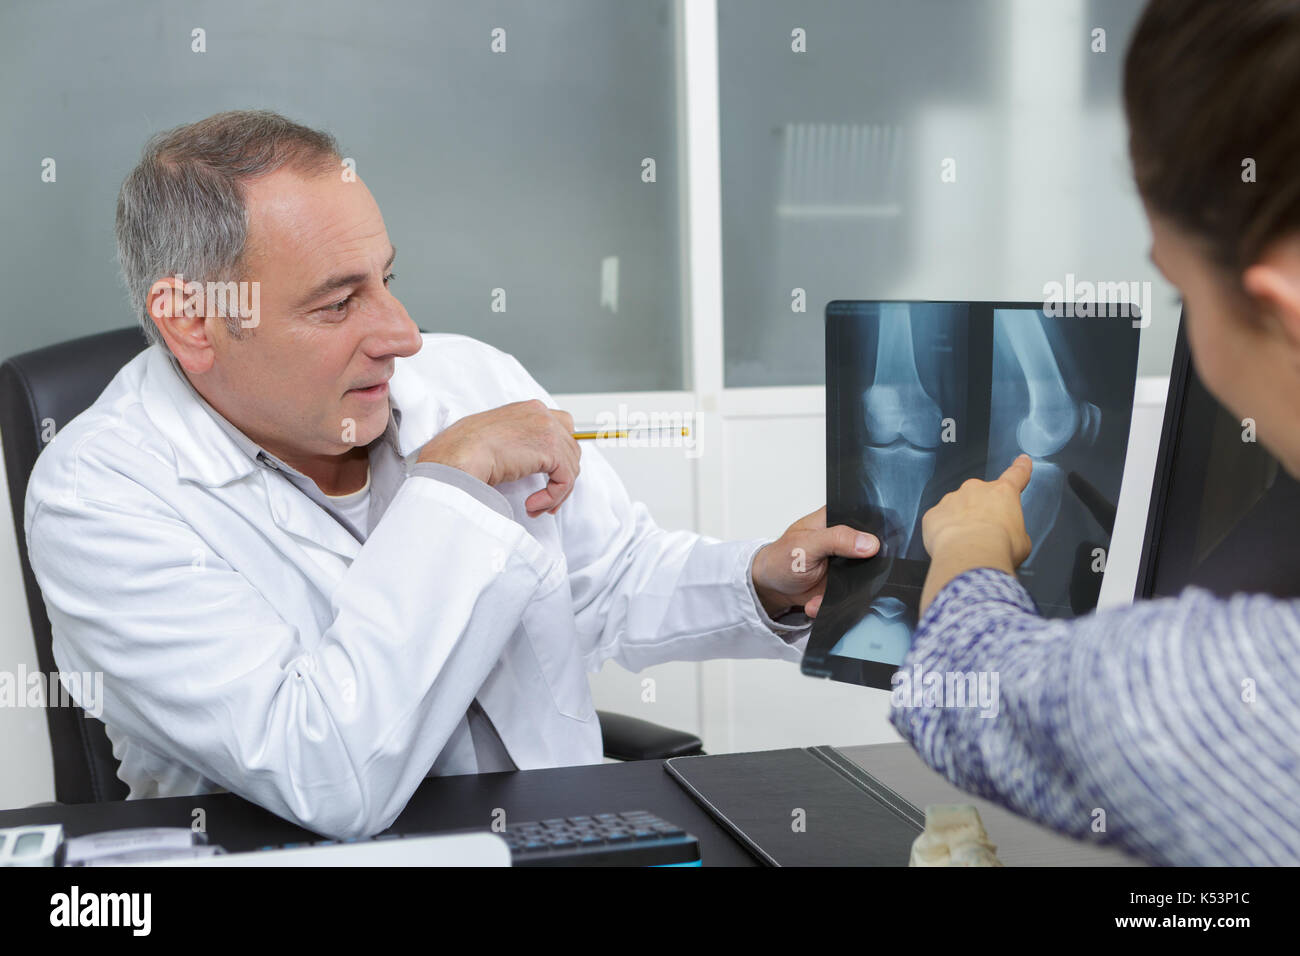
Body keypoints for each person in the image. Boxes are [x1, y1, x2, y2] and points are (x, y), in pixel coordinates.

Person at [25, 110, 877, 840]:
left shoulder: (469, 382)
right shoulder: (99, 494)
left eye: (387, 279)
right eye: (337, 302)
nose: (402, 334)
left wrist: (760, 579)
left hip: (561, 840)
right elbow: (327, 775)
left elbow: (613, 579)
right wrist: (449, 488)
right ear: (195, 327)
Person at [891, 0, 1300, 865]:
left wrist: (969, 542)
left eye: (1184, 292)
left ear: (1279, 312)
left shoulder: (1230, 696)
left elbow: (967, 685)